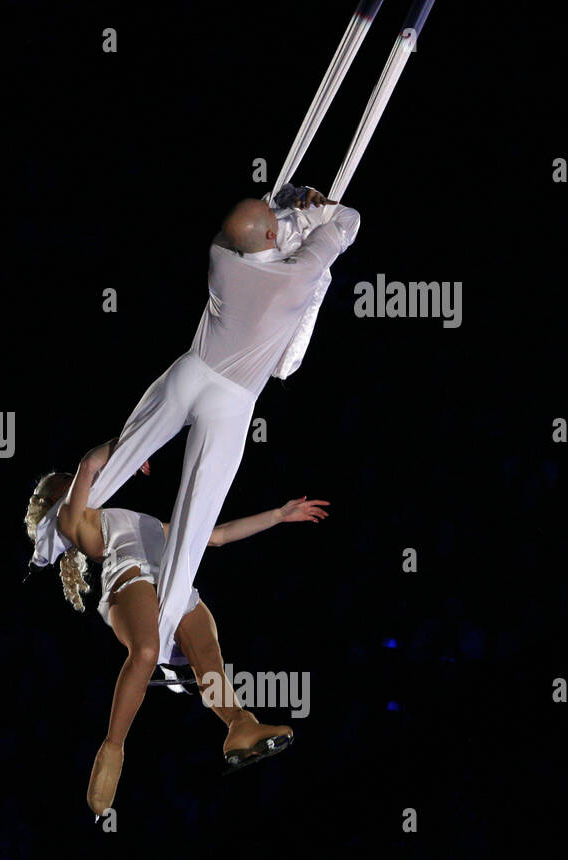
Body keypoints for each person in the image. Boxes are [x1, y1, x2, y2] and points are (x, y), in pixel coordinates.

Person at [31, 186, 359, 675]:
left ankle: (51, 536)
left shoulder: (222, 258)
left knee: (132, 460)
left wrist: (293, 209)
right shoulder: (297, 274)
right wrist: (308, 208)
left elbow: (320, 227)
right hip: (229, 401)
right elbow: (347, 221)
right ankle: (161, 644)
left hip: (191, 374)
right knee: (195, 515)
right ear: (272, 233)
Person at [25, 442, 329, 816]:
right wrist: (132, 446)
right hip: (131, 578)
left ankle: (240, 726)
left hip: (173, 582)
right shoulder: (75, 522)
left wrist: (278, 515)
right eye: (68, 484)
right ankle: (113, 748)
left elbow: (214, 536)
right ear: (61, 499)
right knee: (147, 652)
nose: (80, 485)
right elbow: (89, 465)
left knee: (211, 661)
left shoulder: (143, 522)